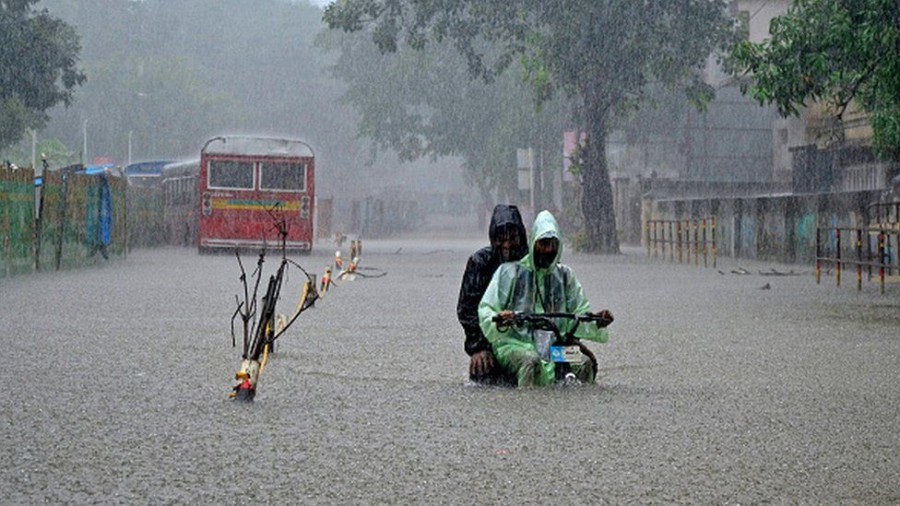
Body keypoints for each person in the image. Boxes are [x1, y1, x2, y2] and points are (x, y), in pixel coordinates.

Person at [478, 210, 613, 387]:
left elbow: (579, 313)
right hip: (515, 344)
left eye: (553, 244)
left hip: (555, 349)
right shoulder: (509, 273)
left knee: (584, 363)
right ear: (533, 242)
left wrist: (597, 322)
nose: (549, 249)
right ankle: (527, 403)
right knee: (531, 362)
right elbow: (486, 309)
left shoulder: (566, 276)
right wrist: (500, 320)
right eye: (543, 243)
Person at [457, 204, 529, 384]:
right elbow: (467, 309)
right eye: (500, 239)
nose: (507, 245)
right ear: (492, 238)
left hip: (532, 338)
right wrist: (479, 347)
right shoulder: (480, 262)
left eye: (513, 238)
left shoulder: (533, 262)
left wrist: (571, 339)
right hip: (492, 340)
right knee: (484, 369)